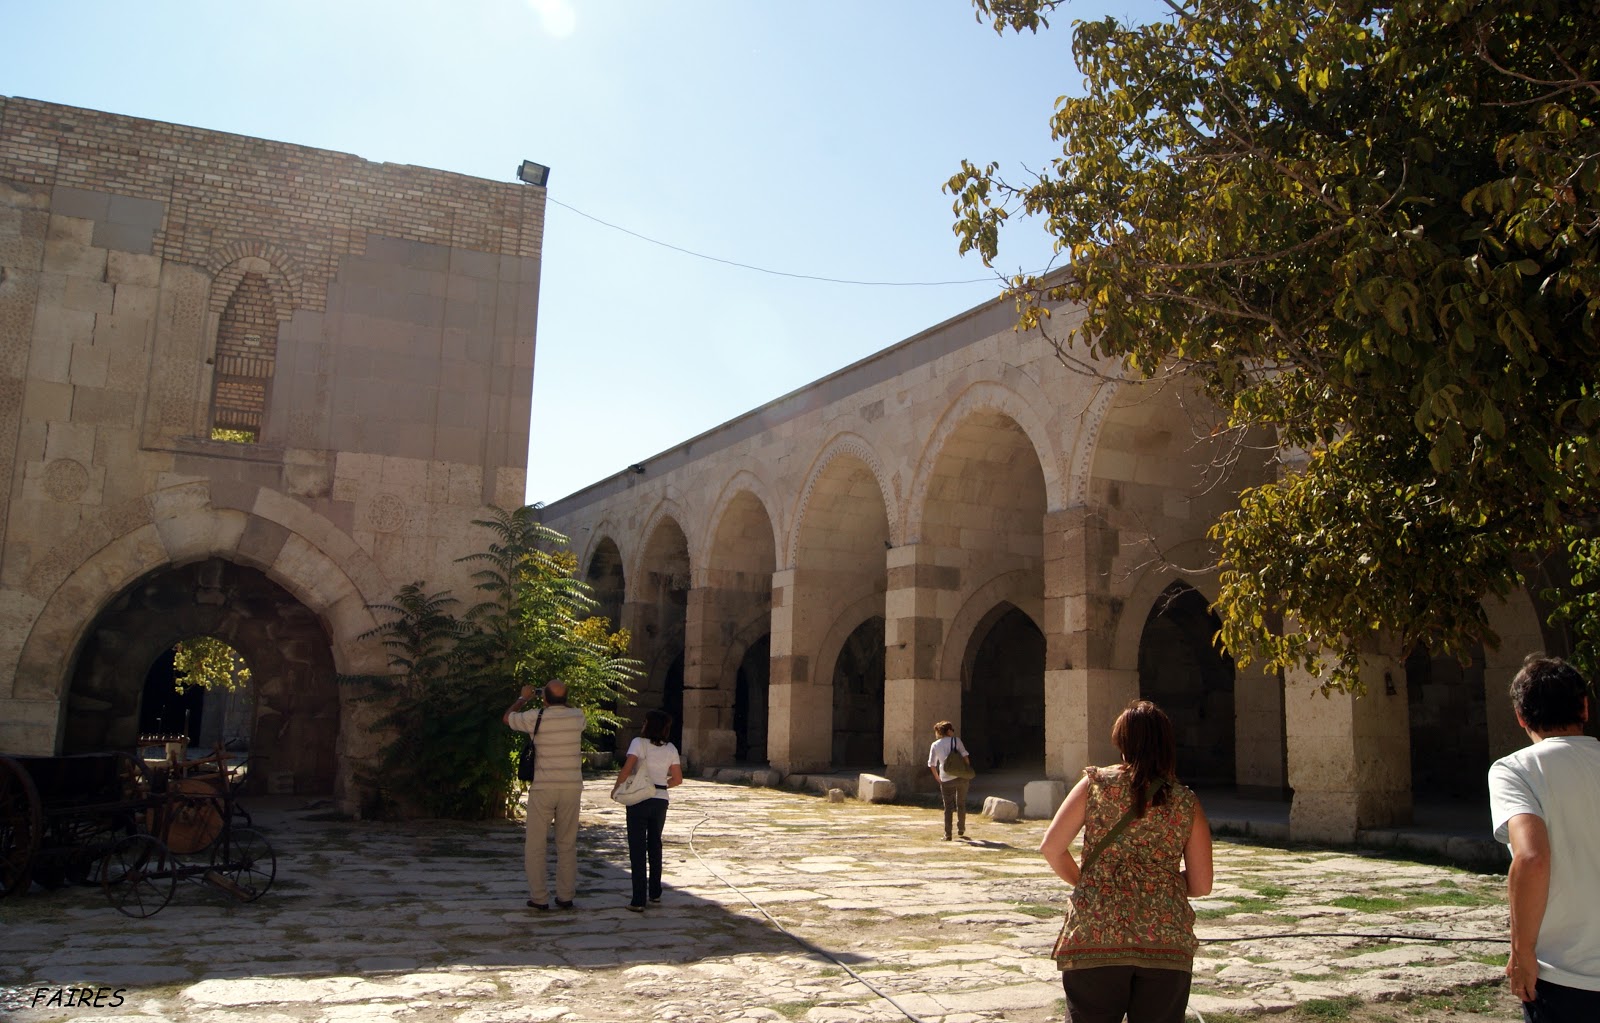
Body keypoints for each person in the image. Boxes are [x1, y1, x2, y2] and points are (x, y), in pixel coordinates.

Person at [1039, 699, 1212, 1023]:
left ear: (1121, 741)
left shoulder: (1096, 786)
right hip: (1165, 939)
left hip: (1096, 935)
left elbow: (1052, 847)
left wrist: (1090, 882)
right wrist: (1158, 883)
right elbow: (1202, 885)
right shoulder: (1185, 801)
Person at [1487, 654, 1600, 1022]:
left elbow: (1531, 857)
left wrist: (1521, 950)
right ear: (1584, 707)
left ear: (1521, 716)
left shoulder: (1515, 771)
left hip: (1566, 977)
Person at [503, 678, 587, 911]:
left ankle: (539, 897)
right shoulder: (577, 716)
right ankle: (566, 895)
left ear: (544, 697)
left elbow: (507, 718)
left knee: (536, 844)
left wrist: (523, 698)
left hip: (543, 787)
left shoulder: (535, 716)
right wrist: (556, 699)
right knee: (567, 844)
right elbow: (569, 709)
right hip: (571, 787)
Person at [611, 708, 684, 911]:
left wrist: (617, 787)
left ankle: (638, 899)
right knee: (655, 844)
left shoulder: (638, 743)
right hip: (660, 800)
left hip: (639, 799)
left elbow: (628, 767)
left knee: (637, 847)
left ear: (648, 725)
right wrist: (660, 786)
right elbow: (678, 779)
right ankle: (655, 892)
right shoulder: (671, 749)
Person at [927, 720, 972, 841]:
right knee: (961, 803)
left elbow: (932, 764)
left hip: (946, 778)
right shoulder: (956, 741)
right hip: (961, 776)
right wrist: (967, 770)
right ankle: (961, 828)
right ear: (948, 731)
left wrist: (938, 778)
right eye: (952, 729)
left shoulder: (935, 745)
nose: (953, 731)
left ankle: (948, 834)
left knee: (948, 807)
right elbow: (965, 757)